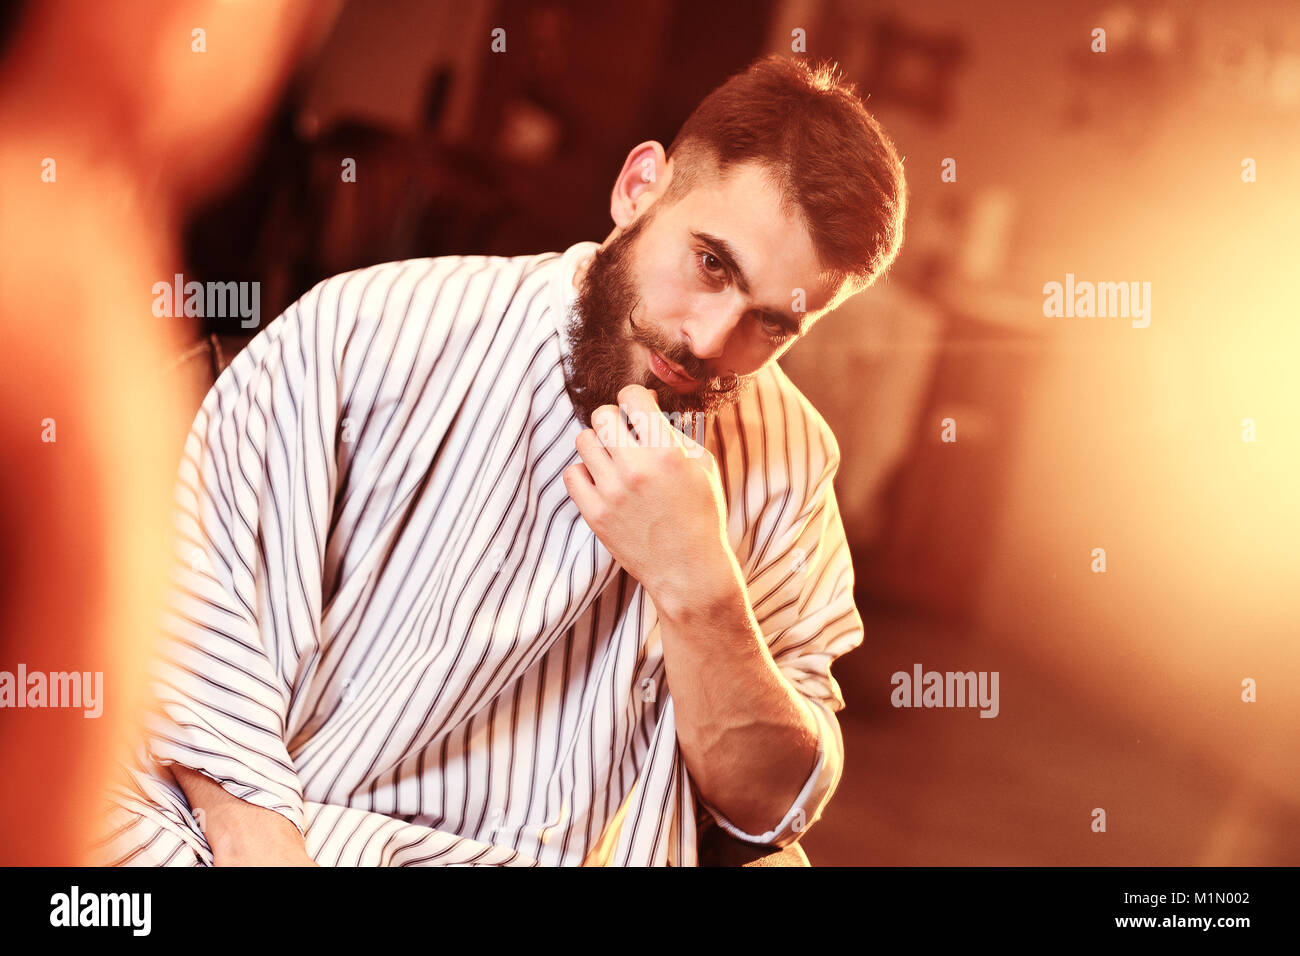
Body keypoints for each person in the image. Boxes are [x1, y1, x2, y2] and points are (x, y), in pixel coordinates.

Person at [94, 53, 906, 867]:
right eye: (711, 263)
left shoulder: (790, 463)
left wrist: (699, 587)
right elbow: (188, 610)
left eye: (772, 323)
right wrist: (263, 849)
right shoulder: (371, 330)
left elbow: (772, 807)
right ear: (640, 188)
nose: (708, 340)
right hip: (291, 826)